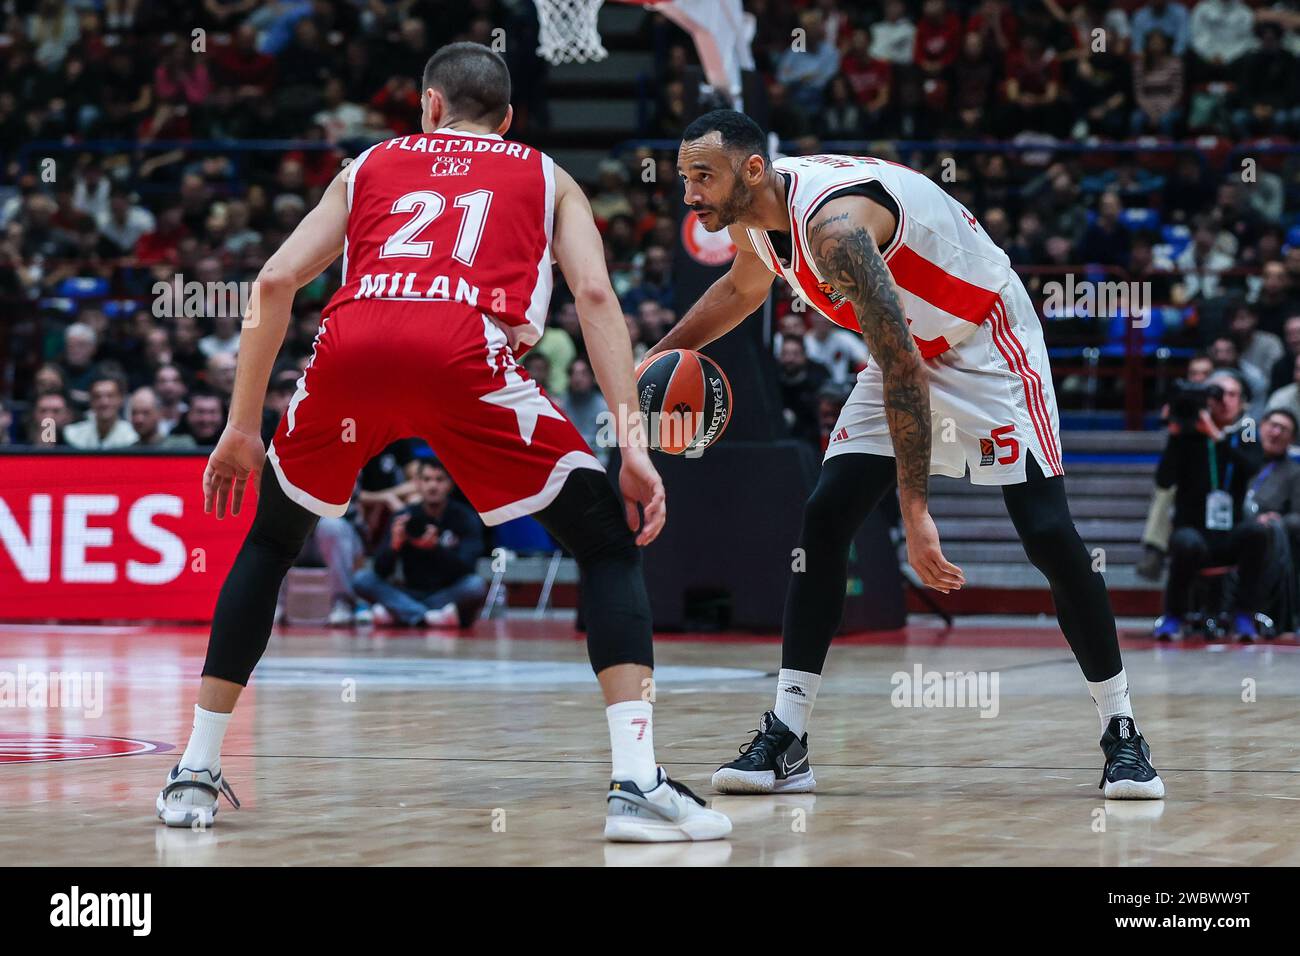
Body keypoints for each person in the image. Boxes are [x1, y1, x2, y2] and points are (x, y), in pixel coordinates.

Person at [155, 42, 730, 843]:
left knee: (272, 542)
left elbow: (275, 284)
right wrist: (632, 443)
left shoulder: (369, 164)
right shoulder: (544, 173)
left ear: (429, 105)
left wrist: (243, 426)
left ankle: (191, 773)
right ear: (510, 119)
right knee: (605, 543)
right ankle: (635, 784)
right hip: (466, 349)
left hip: (354, 346)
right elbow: (595, 295)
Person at [651, 110, 1164, 800]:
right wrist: (655, 360)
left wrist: (915, 511)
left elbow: (900, 374)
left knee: (1046, 533)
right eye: (685, 178)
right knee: (826, 516)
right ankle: (787, 734)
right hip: (908, 353)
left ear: (751, 170)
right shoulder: (752, 218)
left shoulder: (836, 232)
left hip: (985, 342)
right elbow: (741, 290)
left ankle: (1122, 732)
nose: (690, 194)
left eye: (702, 177)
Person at [1151, 371, 1262, 638]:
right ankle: (1174, 616)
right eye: (1217, 392)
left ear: (1243, 402)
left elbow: (1251, 467)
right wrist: (1176, 436)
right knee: (1186, 541)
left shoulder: (1246, 431)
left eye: (1232, 394)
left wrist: (1217, 436)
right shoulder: (1188, 434)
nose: (1224, 400)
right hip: (1194, 531)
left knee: (1258, 533)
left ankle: (1244, 614)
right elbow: (1164, 481)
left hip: (1229, 533)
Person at [352, 458, 486, 627]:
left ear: (450, 484)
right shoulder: (403, 516)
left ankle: (402, 613)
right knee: (361, 579)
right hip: (410, 591)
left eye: (439, 480)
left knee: (475, 586)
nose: (433, 486)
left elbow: (468, 567)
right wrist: (393, 546)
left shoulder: (465, 517)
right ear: (417, 483)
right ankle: (427, 617)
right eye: (427, 479)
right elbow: (380, 570)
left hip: (447, 592)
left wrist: (436, 548)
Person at [63, 375, 138, 449]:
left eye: (110, 396)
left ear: (121, 399)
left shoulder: (132, 436)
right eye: (97, 396)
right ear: (90, 400)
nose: (104, 402)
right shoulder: (73, 433)